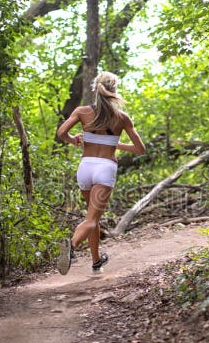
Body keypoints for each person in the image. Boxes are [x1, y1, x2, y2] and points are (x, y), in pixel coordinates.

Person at [55, 71, 146, 274]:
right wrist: (117, 144)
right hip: (105, 168)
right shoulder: (122, 118)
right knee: (91, 219)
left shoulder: (81, 111)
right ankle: (72, 245)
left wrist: (73, 140)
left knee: (92, 217)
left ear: (96, 89)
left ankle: (96, 260)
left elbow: (61, 133)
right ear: (114, 91)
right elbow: (140, 149)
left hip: (85, 167)